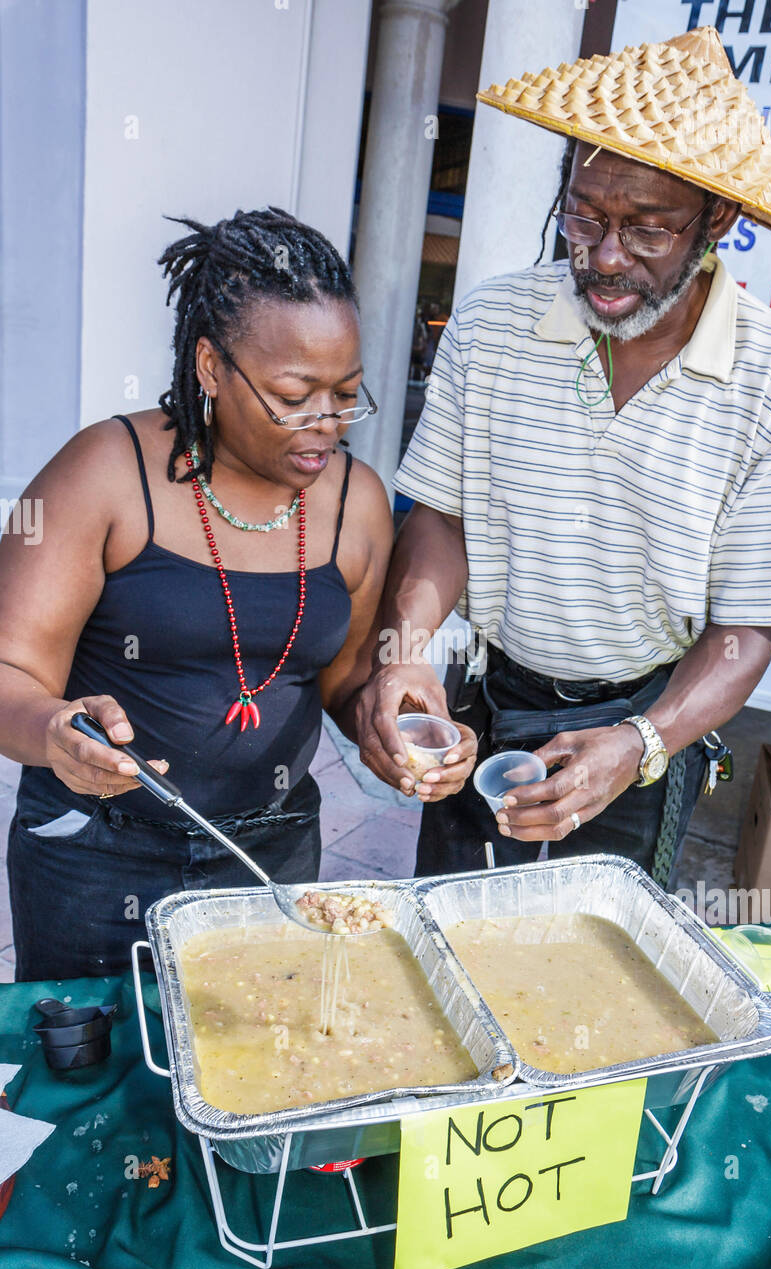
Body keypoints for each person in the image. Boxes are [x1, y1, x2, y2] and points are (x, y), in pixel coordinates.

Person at [355, 27, 771, 885]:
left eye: (649, 229)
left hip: (653, 713)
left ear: (718, 220)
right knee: (452, 922)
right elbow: (444, 516)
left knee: (599, 955)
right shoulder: (493, 324)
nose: (606, 256)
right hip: (490, 692)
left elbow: (745, 631)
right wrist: (403, 652)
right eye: (586, 215)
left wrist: (641, 741)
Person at [0, 208, 475, 981]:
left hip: (269, 852)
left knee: (259, 1067)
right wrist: (54, 729)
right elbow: (7, 670)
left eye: (346, 395)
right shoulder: (103, 473)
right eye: (294, 395)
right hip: (94, 851)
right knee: (90, 1076)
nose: (325, 424)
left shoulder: (356, 501)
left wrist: (395, 723)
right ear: (211, 366)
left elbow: (349, 679)